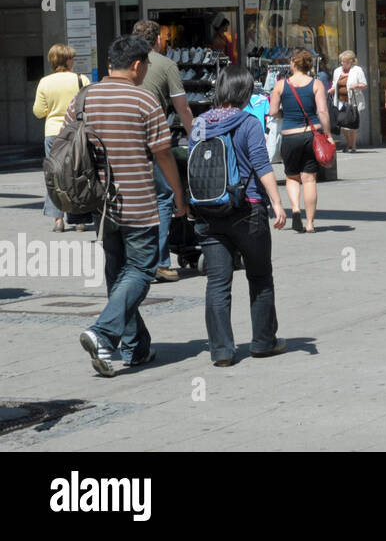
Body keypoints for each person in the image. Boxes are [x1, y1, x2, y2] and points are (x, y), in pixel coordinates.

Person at [78, 35, 188, 376]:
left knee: (118, 272)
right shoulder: (143, 100)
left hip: (102, 204)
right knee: (141, 269)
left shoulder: (83, 98)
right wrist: (179, 195)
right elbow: (163, 153)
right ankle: (103, 332)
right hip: (139, 201)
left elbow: (71, 145)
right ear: (138, 65)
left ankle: (136, 347)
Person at [190, 66, 288, 366]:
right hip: (248, 208)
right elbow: (262, 165)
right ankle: (262, 342)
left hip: (208, 209)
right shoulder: (248, 122)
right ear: (245, 92)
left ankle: (221, 351)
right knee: (259, 276)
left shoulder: (199, 123)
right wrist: (278, 203)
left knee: (218, 282)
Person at [132, 20, 195, 282]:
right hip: (153, 139)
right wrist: (196, 135)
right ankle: (159, 262)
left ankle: (133, 260)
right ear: (157, 39)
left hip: (123, 140)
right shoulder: (166, 64)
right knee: (163, 196)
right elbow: (182, 108)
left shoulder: (125, 62)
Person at [268, 48, 331, 234]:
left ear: (293, 64)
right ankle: (310, 223)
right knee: (309, 179)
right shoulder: (316, 84)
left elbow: (272, 112)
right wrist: (328, 134)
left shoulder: (281, 85)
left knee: (292, 177)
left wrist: (284, 113)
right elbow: (322, 112)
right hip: (311, 135)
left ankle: (295, 208)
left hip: (290, 135)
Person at [33, 43, 89, 232]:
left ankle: (58, 219)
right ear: (67, 60)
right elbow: (89, 105)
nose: (74, 60)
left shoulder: (45, 82)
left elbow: (39, 112)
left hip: (52, 134)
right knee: (77, 173)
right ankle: (79, 219)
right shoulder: (81, 80)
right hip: (76, 133)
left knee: (55, 175)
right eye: (72, 57)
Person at [327, 50, 366, 154]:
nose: (343, 63)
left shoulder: (357, 70)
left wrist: (356, 86)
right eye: (342, 61)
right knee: (342, 123)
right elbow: (335, 84)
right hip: (340, 101)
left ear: (351, 61)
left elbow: (364, 85)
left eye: (345, 62)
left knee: (352, 124)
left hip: (353, 101)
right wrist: (331, 90)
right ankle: (348, 143)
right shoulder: (337, 71)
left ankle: (353, 146)